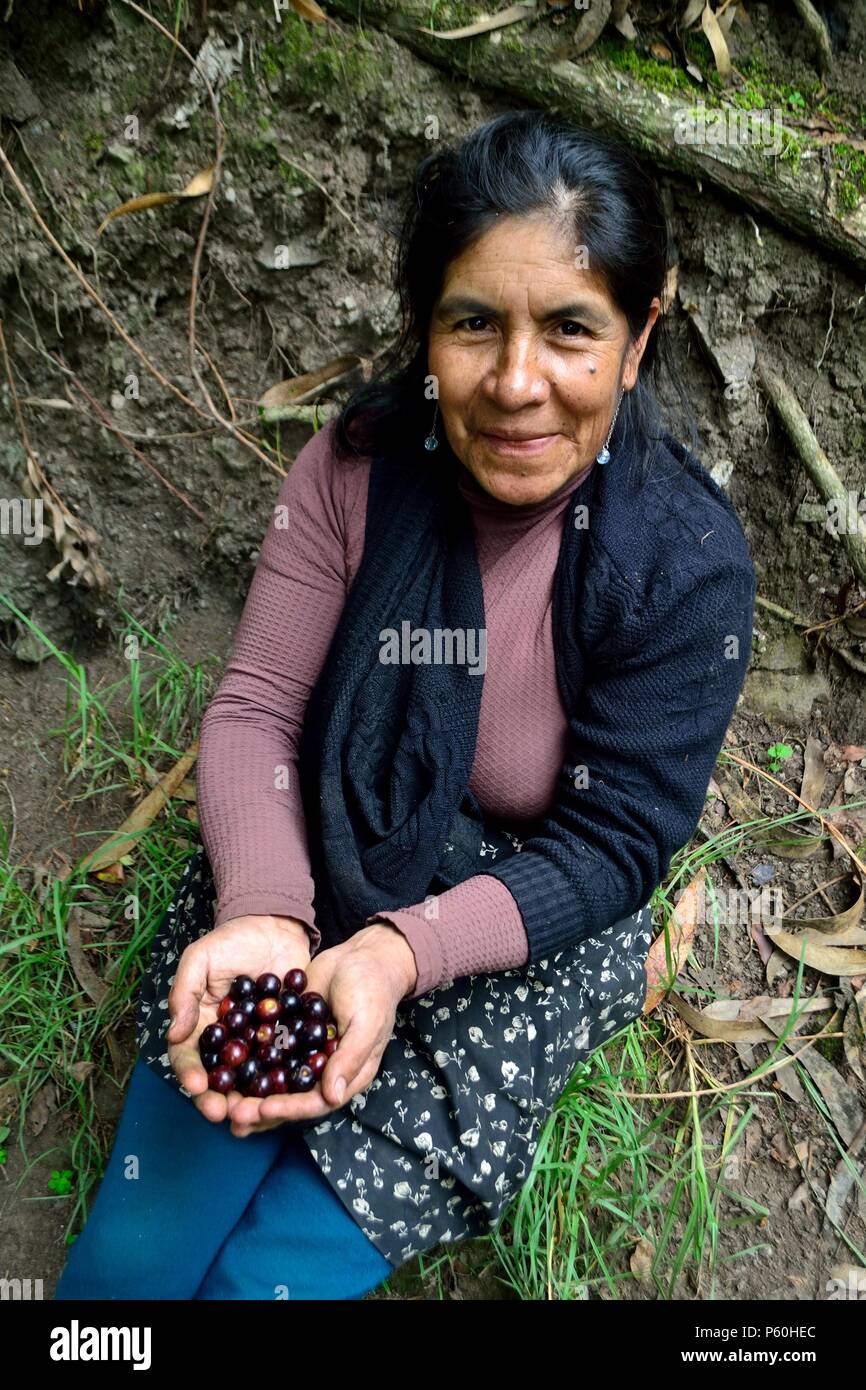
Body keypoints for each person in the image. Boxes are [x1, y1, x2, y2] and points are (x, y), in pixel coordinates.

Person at [54, 109, 756, 1301]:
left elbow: (613, 840)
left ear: (639, 336)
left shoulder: (682, 569)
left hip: (515, 923)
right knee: (122, 1275)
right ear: (424, 330)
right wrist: (270, 916)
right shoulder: (356, 470)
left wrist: (398, 952)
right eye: (473, 322)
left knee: (253, 1287)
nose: (516, 383)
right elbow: (259, 711)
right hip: (329, 845)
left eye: (570, 330)